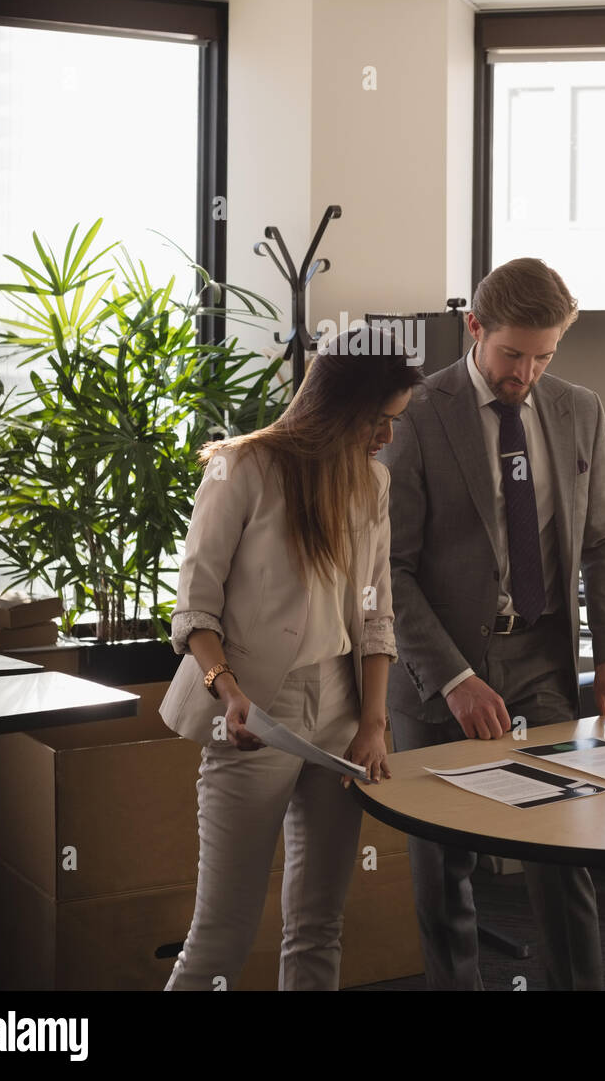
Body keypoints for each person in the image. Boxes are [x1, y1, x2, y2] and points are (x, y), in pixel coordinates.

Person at [378, 258, 605, 992]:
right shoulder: (414, 414)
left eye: (543, 355)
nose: (525, 373)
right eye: (511, 354)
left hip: (540, 659)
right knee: (445, 875)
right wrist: (452, 678)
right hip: (438, 674)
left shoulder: (578, 408)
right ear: (474, 328)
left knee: (562, 854)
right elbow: (389, 570)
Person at [159, 326, 421, 991]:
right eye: (378, 420)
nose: (386, 437)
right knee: (222, 933)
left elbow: (375, 616)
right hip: (252, 713)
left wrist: (372, 722)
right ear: (337, 406)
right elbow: (195, 608)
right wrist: (226, 688)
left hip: (340, 712)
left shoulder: (372, 483)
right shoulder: (241, 467)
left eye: (394, 422)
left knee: (318, 925)